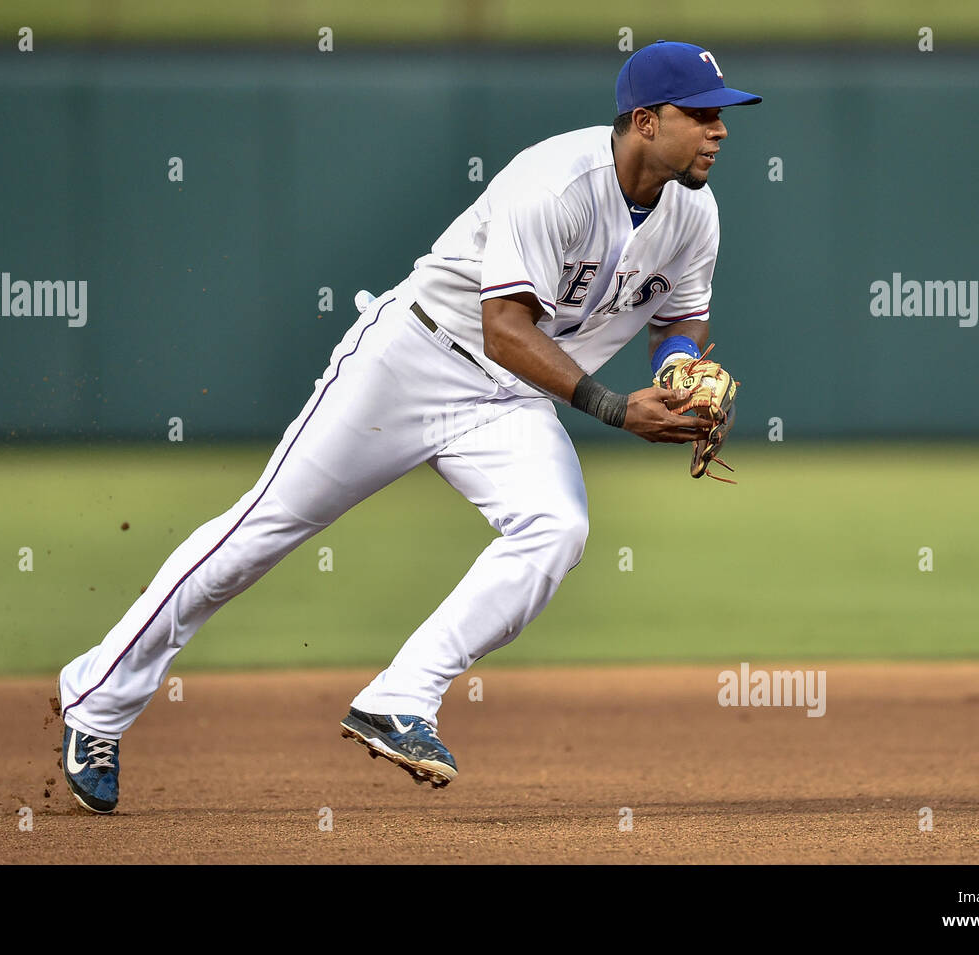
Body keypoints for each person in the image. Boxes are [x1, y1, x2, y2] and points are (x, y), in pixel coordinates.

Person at [58, 40, 760, 812]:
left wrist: (674, 373)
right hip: (414, 358)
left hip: (512, 398)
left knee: (555, 526)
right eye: (700, 114)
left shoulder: (696, 212)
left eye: (721, 116)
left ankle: (402, 697)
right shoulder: (555, 182)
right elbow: (504, 327)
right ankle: (96, 699)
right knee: (259, 534)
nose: (719, 130)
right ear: (643, 122)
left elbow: (679, 317)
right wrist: (614, 408)